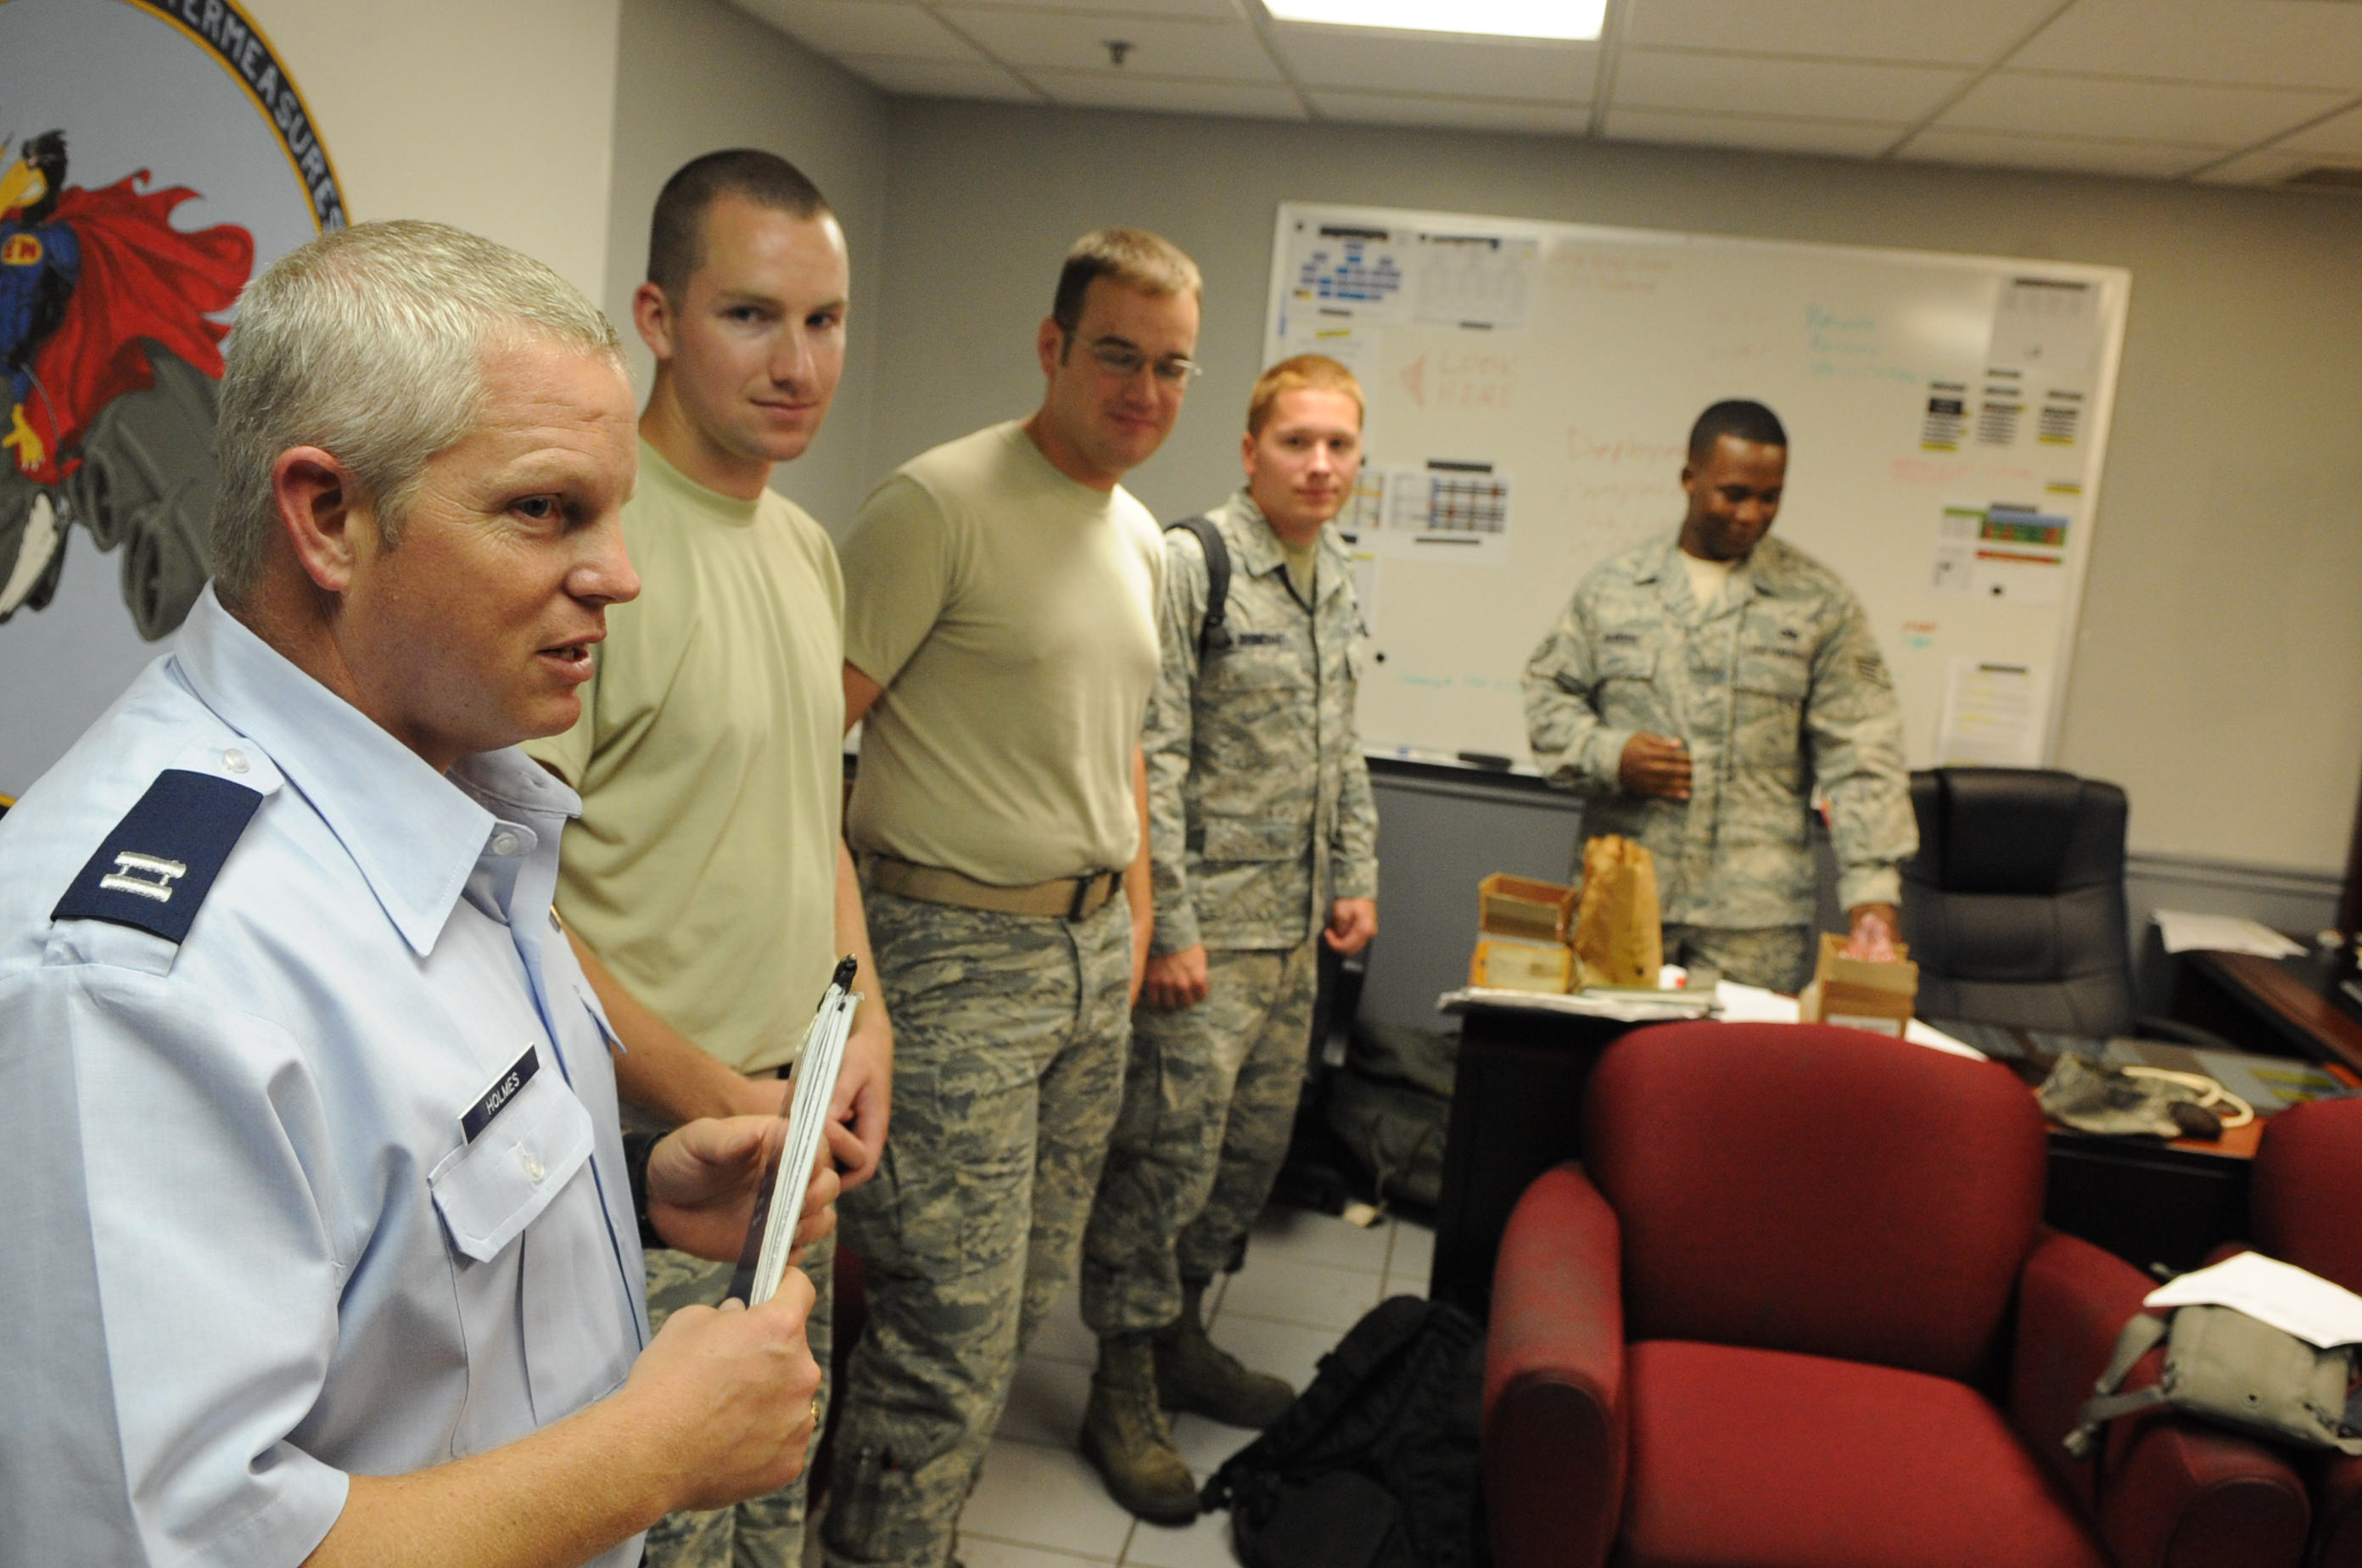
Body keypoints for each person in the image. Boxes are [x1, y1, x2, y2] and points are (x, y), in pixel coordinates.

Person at [0, 220, 833, 1567]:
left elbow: (374, 1221)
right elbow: (181, 1544)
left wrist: (624, 1186)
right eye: (545, 511)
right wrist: (652, 1456)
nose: (618, 573)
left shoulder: (444, 791)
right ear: (330, 517)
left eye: (614, 511)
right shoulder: (137, 978)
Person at [521, 148, 888, 1568]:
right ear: (658, 318)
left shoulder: (803, 547)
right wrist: (715, 1094)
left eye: (825, 319)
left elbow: (814, 812)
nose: (799, 362)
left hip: (782, 1125)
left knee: (761, 1521)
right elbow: (513, 904)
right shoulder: (589, 559)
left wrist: (863, 1014)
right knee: (652, 1533)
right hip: (648, 1145)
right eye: (751, 316)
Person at [824, 227, 1201, 1568]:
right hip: (951, 951)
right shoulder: (939, 504)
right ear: (1051, 347)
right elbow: (813, 742)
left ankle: (898, 1531)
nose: (1144, 390)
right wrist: (854, 969)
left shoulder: (1144, 537)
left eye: (1171, 367)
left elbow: (1126, 749)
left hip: (1090, 957)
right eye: (1117, 355)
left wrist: (1137, 913)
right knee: (948, 1324)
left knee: (1025, 1294)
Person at [1076, 353, 1380, 1520]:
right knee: (1160, 1168)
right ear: (1252, 449)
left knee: (1244, 1164)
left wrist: (1355, 874)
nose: (1320, 465)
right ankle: (1121, 1387)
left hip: (1293, 940)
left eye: (1340, 446)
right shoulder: (1195, 563)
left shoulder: (1336, 578)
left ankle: (1183, 1345)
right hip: (1201, 948)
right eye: (1297, 441)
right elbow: (1150, 754)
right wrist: (1170, 932)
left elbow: (1344, 742)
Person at [1522, 398, 1915, 994]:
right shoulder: (1615, 589)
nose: (1751, 514)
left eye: (1770, 497)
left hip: (1753, 923)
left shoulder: (1818, 602)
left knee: (1736, 1081)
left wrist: (1872, 901)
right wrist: (1612, 755)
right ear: (1690, 479)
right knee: (1600, 1075)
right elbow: (1548, 697)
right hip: (1624, 897)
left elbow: (1863, 752)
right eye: (1733, 494)